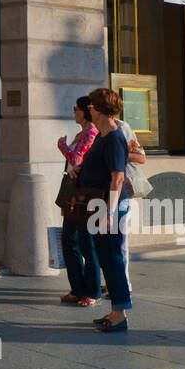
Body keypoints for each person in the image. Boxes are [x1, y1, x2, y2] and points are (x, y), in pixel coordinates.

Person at [80, 87, 133, 333]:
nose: (88, 108)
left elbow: (118, 178)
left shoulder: (114, 137)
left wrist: (110, 213)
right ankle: (115, 311)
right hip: (98, 204)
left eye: (90, 104)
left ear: (100, 108)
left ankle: (120, 314)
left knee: (112, 258)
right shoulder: (102, 136)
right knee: (106, 257)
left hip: (108, 206)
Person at [56, 96, 100, 306]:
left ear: (84, 111)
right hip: (72, 192)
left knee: (86, 242)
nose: (73, 112)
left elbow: (76, 160)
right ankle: (77, 288)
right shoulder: (80, 133)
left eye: (76, 109)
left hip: (85, 194)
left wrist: (62, 146)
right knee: (68, 240)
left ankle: (92, 291)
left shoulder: (92, 133)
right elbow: (70, 167)